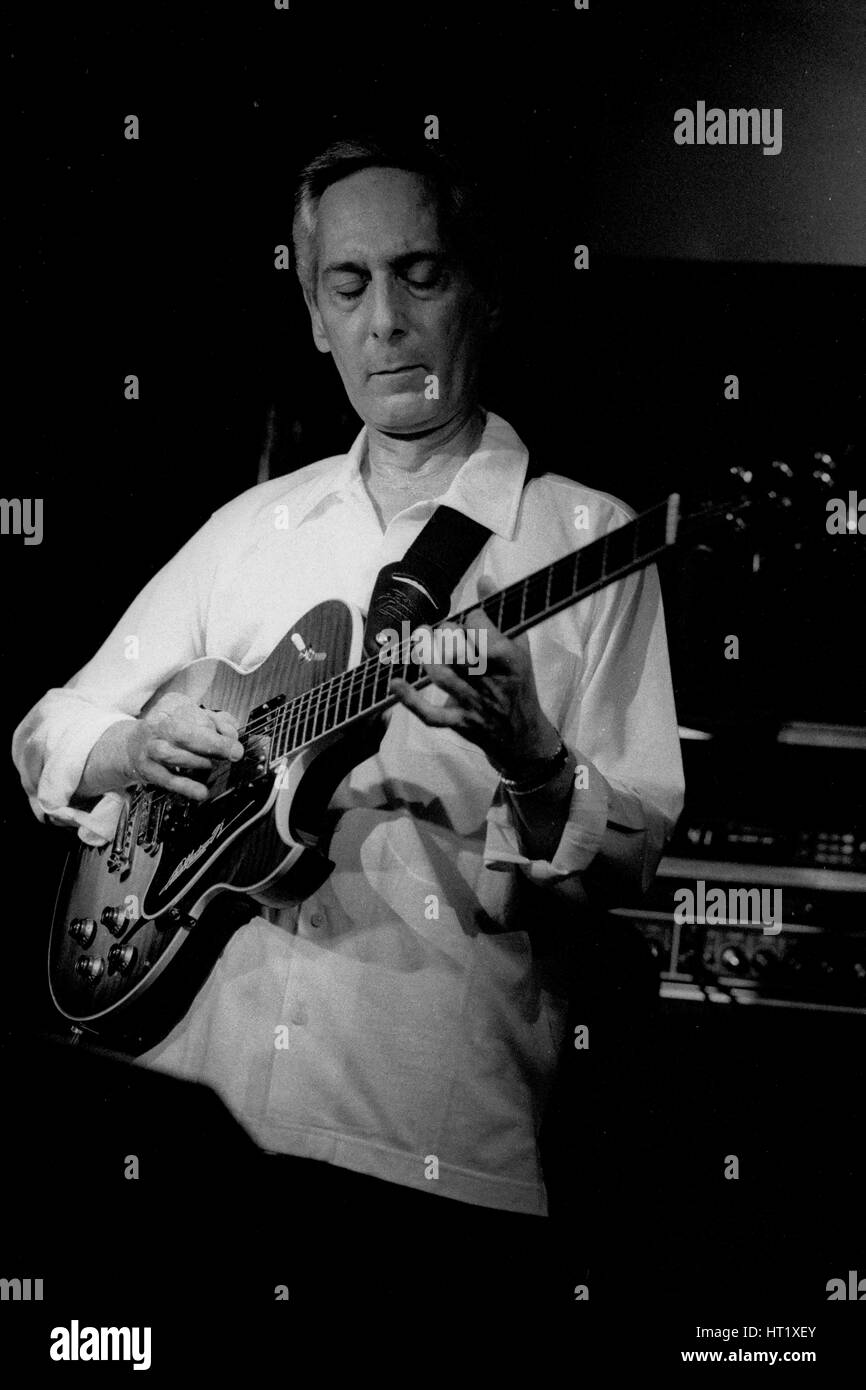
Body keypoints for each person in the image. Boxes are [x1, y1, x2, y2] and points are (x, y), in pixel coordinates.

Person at [13, 135, 684, 1307]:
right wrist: (131, 748)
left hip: (424, 1153)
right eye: (348, 283)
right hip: (192, 1106)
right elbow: (50, 724)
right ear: (314, 315)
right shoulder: (250, 526)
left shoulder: (587, 542)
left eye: (420, 275)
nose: (385, 321)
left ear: (483, 289)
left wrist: (531, 755)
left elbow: (633, 864)